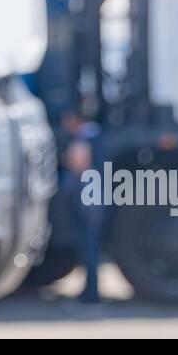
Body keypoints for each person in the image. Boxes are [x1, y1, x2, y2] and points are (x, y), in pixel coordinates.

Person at [58, 109, 106, 304]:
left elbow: (79, 162)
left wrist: (64, 160)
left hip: (88, 202)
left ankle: (91, 294)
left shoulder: (85, 137)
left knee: (89, 248)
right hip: (94, 199)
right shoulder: (96, 135)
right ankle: (91, 291)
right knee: (90, 247)